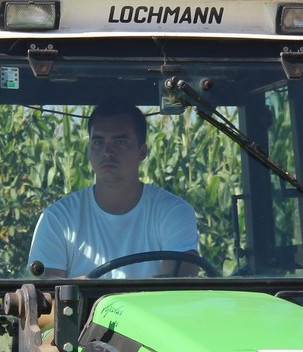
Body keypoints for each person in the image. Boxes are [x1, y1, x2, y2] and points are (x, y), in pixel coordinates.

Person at [27, 99, 200, 278]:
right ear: (88, 151)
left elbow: (178, 288)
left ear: (142, 152)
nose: (107, 151)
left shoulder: (173, 212)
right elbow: (48, 299)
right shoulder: (58, 220)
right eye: (98, 142)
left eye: (120, 142)